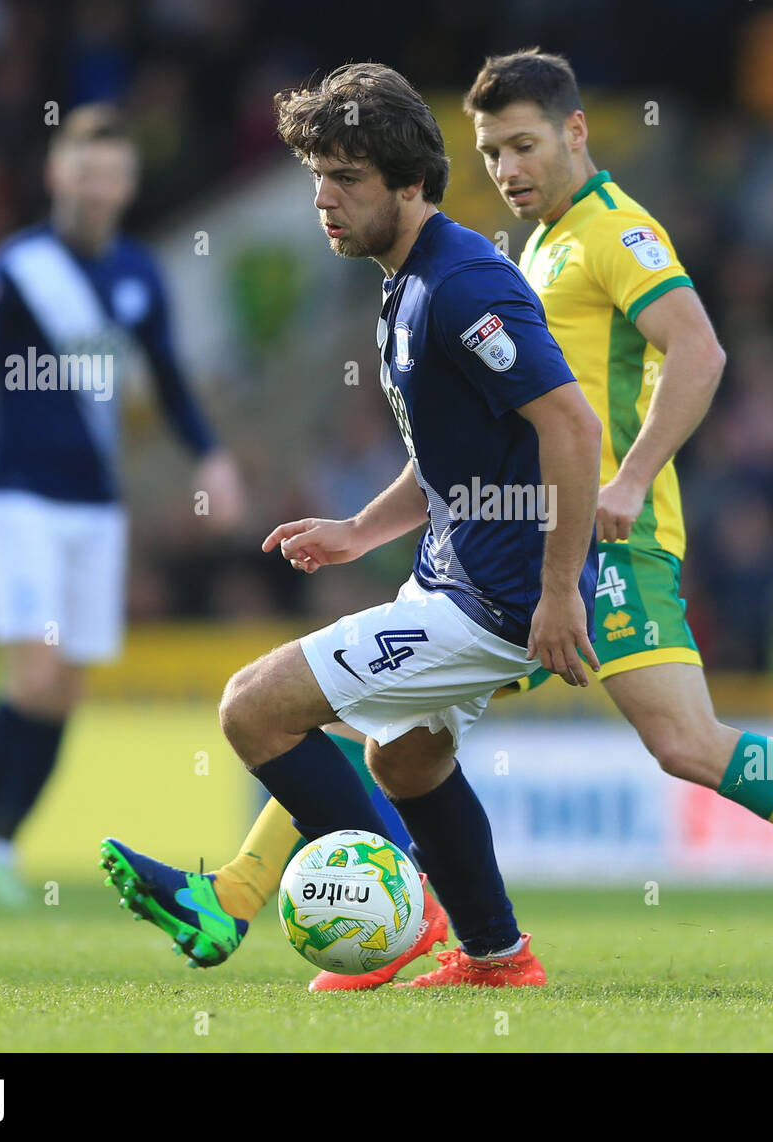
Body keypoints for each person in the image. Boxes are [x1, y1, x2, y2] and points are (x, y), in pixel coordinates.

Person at [466, 49, 773, 984]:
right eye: (492, 152)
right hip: (537, 540)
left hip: (612, 541)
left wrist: (629, 480)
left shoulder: (617, 231)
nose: (506, 170)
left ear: (577, 132)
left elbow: (700, 353)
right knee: (398, 699)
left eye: (524, 145)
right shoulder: (541, 242)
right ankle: (267, 897)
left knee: (687, 743)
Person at [100, 62, 603, 991]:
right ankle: (499, 958)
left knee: (254, 707)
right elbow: (454, 449)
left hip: (503, 596)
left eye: (348, 180)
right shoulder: (406, 281)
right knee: (404, 760)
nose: (324, 200)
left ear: (410, 181)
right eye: (316, 177)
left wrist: (562, 589)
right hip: (464, 572)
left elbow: (570, 425)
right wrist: (363, 530)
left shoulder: (461, 285)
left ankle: (399, 916)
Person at [0, 104, 247, 910]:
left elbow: (173, 381)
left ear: (128, 185)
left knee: (64, 688)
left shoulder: (139, 277)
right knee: (35, 669)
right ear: (57, 175)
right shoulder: (14, 270)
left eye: (112, 174)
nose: (98, 188)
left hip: (96, 508)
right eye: (85, 171)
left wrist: (211, 460)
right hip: (19, 500)